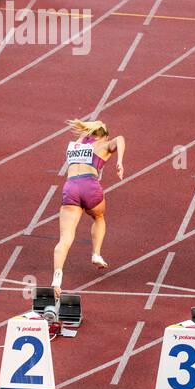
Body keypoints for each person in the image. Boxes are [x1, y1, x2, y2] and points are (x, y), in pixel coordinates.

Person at [52, 119, 125, 294]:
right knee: (99, 217)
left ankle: (57, 279)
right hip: (89, 186)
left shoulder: (76, 145)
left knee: (65, 238)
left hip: (70, 187)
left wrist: (88, 129)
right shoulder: (104, 146)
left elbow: (87, 135)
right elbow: (121, 139)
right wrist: (120, 161)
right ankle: (96, 254)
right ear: (105, 135)